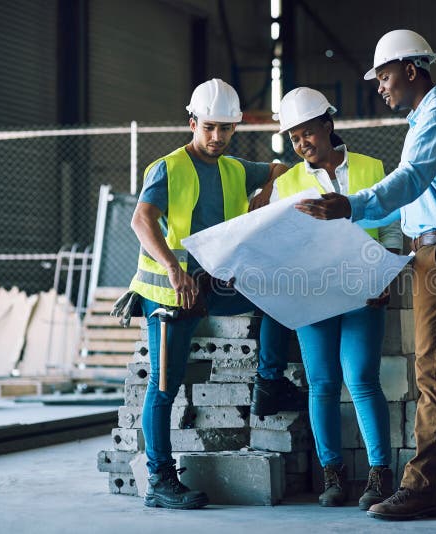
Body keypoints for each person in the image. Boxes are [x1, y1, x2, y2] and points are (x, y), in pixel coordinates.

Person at [295, 30, 436, 521]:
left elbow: (410, 181)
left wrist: (351, 205)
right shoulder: (425, 119)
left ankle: (421, 485)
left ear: (411, 69)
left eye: (384, 77)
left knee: (432, 369)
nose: (380, 87)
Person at [127, 78, 302, 510]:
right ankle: (159, 480)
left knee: (278, 297)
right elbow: (141, 221)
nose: (217, 137)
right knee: (164, 389)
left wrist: (264, 191)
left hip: (217, 282)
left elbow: (283, 170)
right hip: (169, 292)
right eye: (209, 127)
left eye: (226, 129)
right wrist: (172, 269)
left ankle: (269, 383)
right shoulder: (167, 168)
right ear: (192, 122)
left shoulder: (235, 169)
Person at [269, 87, 403, 510]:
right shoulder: (288, 182)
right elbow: (279, 241)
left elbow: (391, 227)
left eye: (306, 132)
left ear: (327, 125)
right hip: (312, 294)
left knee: (362, 379)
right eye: (293, 138)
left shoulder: (371, 167)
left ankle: (380, 474)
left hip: (364, 290)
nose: (301, 143)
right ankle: (333, 473)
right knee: (323, 384)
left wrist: (386, 271)